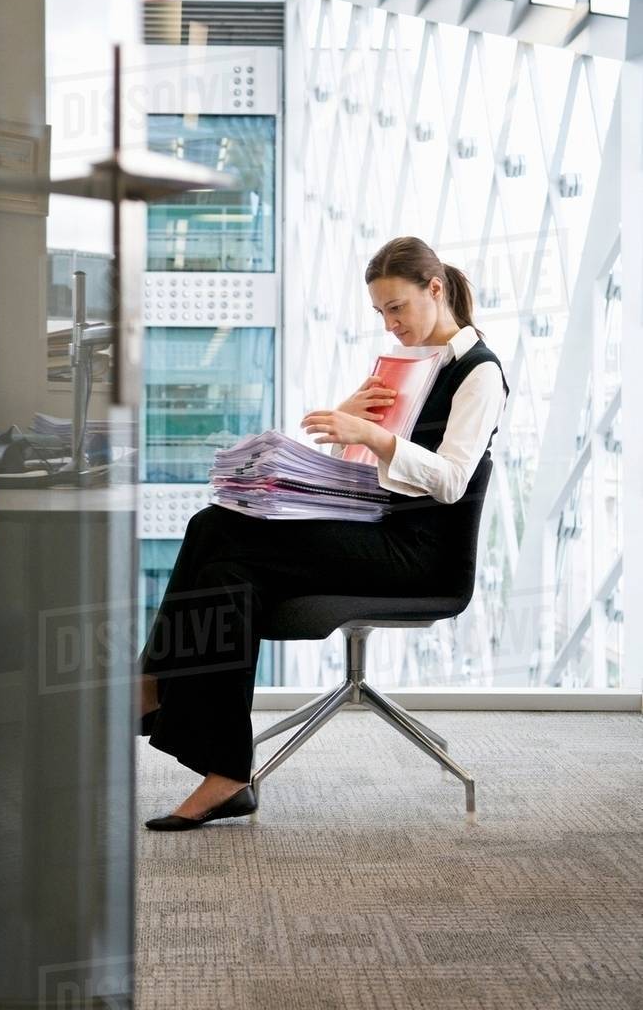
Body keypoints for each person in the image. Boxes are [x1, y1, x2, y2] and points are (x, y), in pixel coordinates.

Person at [137, 236, 509, 831]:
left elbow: (451, 481)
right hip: (370, 527)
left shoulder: (479, 373)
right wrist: (350, 419)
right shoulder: (409, 364)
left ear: (435, 290)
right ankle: (228, 773)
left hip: (420, 554)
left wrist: (377, 435)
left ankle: (155, 681)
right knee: (223, 561)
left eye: (398, 308)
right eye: (380, 313)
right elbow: (357, 465)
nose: (390, 325)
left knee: (217, 530)